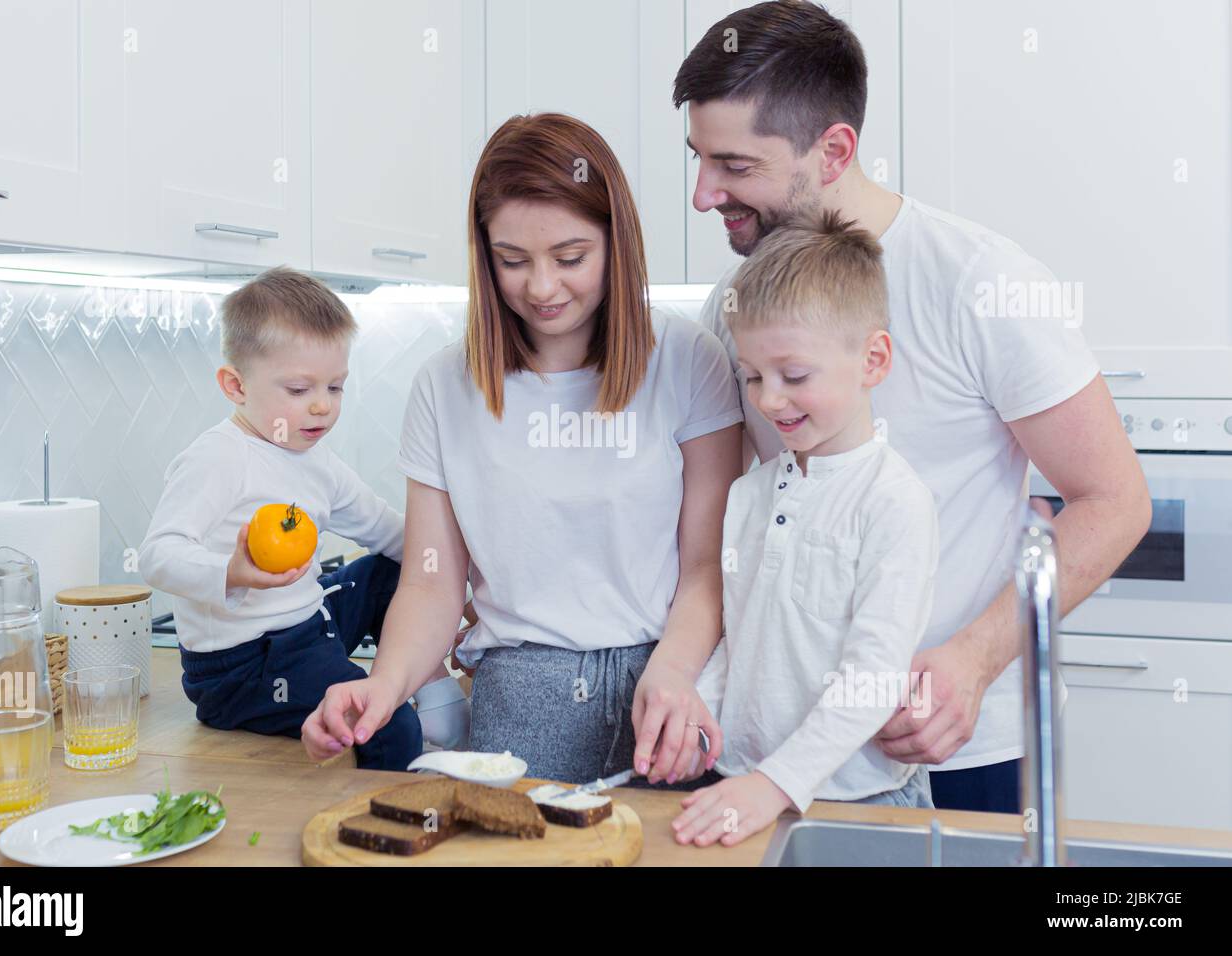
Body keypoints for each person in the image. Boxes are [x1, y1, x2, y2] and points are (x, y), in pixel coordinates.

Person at [674, 0, 1150, 811]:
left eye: (735, 165)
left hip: (959, 741)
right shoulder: (735, 307)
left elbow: (1115, 501)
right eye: (698, 158)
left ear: (834, 150)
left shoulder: (979, 283)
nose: (702, 193)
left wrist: (972, 659)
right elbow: (741, 533)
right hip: (786, 756)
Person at [301, 113, 743, 785]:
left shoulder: (688, 362)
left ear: (615, 244)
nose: (541, 287)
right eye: (513, 261)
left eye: (570, 258)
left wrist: (676, 678)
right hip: (518, 701)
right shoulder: (446, 386)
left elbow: (706, 568)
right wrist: (384, 685)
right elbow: (430, 581)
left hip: (668, 694)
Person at [674, 213, 938, 847]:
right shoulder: (750, 493)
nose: (767, 400)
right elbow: (738, 639)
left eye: (794, 377)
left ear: (873, 360)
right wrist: (699, 714)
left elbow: (873, 676)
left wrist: (774, 784)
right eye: (753, 376)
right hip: (739, 787)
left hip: (862, 799)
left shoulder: (894, 502)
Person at [139, 266, 467, 770]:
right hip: (244, 666)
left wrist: (465, 585)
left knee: (397, 569)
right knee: (391, 725)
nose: (322, 406)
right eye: (298, 390)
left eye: (336, 387)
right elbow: (158, 556)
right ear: (235, 385)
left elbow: (389, 531)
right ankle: (395, 805)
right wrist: (230, 572)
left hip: (312, 625)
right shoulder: (218, 460)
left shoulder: (313, 459)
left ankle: (439, 697)